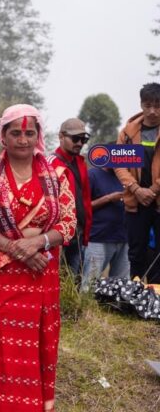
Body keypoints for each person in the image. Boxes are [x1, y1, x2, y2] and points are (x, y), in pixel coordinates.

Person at [0, 104, 76, 412]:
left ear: (39, 135)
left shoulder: (58, 175)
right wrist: (17, 249)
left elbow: (68, 224)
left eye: (29, 133)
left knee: (33, 348)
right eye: (15, 133)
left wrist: (38, 243)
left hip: (40, 277)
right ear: (3, 135)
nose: (23, 140)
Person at [115, 83, 160, 283]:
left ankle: (157, 293)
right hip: (136, 202)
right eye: (148, 105)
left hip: (157, 200)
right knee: (136, 251)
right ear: (141, 104)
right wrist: (136, 189)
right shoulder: (128, 133)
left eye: (157, 106)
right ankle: (135, 290)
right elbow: (120, 165)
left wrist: (154, 189)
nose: (152, 111)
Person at [49, 118, 92, 278]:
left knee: (75, 282)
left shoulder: (81, 162)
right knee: (58, 280)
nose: (80, 143)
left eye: (83, 139)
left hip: (79, 233)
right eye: (75, 138)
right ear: (61, 136)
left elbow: (85, 200)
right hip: (58, 235)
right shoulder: (50, 164)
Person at [81, 161, 129, 290]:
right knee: (90, 283)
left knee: (122, 284)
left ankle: (116, 303)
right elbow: (82, 207)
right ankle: (87, 303)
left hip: (124, 237)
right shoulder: (92, 175)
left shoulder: (127, 177)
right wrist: (108, 198)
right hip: (97, 237)